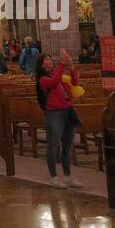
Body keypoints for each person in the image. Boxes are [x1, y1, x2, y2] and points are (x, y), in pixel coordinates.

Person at [35, 50, 83, 190]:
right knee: (53, 146)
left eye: (50, 58)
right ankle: (54, 177)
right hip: (54, 114)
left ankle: (67, 176)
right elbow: (54, 81)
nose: (50, 61)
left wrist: (72, 67)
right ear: (42, 65)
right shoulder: (43, 80)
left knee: (67, 147)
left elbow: (75, 82)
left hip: (68, 111)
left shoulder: (58, 74)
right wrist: (62, 64)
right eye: (47, 59)